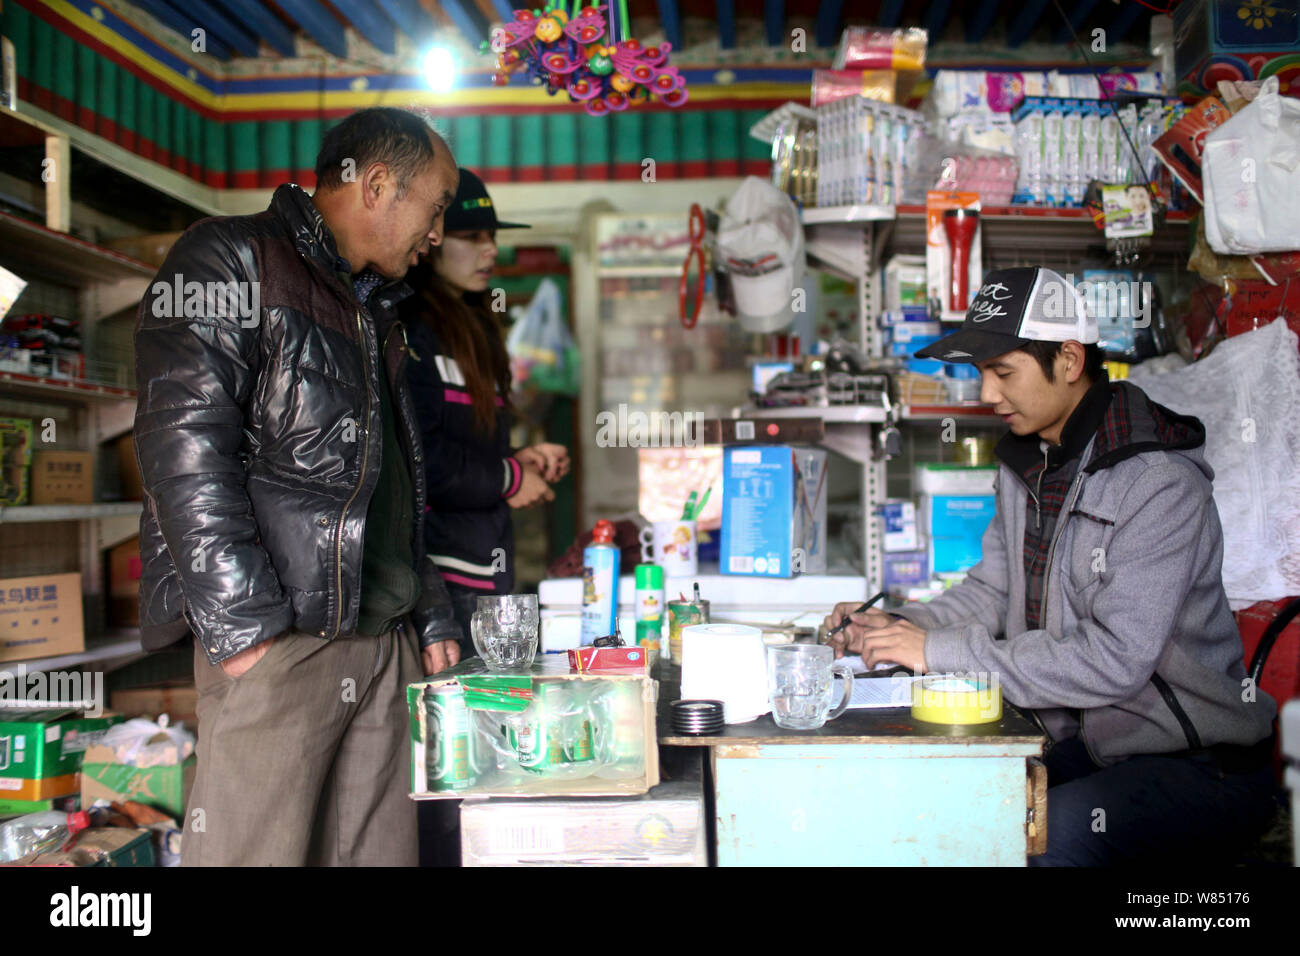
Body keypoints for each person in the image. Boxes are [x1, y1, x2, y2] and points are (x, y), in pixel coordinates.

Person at [823, 266, 1278, 867]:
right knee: (939, 815)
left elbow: (1115, 661)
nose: (987, 395)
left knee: (1040, 844)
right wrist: (894, 629)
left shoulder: (1158, 482)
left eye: (1003, 372)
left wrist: (935, 652)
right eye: (982, 374)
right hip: (1085, 750)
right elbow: (991, 591)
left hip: (1196, 766)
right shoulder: (1029, 463)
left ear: (1068, 359)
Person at [133, 107, 465, 866]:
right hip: (284, 644)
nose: (437, 234)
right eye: (436, 207)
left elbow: (391, 483)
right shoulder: (229, 260)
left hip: (382, 645)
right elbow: (181, 452)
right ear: (377, 184)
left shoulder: (375, 309)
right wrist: (250, 634)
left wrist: (431, 608)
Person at [401, 166, 569, 654]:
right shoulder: (411, 332)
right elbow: (419, 458)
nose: (490, 250)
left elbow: (464, 444)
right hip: (436, 578)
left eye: (491, 237)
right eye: (471, 237)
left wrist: (519, 458)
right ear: (430, 240)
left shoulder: (475, 330)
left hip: (482, 564)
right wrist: (510, 480)